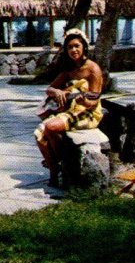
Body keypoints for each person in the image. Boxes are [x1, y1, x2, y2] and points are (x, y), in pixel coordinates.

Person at [34, 28, 104, 187]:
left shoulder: (93, 69)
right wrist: (57, 91)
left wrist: (83, 101)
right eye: (70, 47)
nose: (73, 50)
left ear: (84, 47)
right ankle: (54, 169)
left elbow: (93, 101)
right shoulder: (69, 70)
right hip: (70, 111)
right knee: (38, 133)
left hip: (88, 113)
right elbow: (49, 89)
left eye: (76, 46)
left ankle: (62, 164)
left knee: (50, 127)